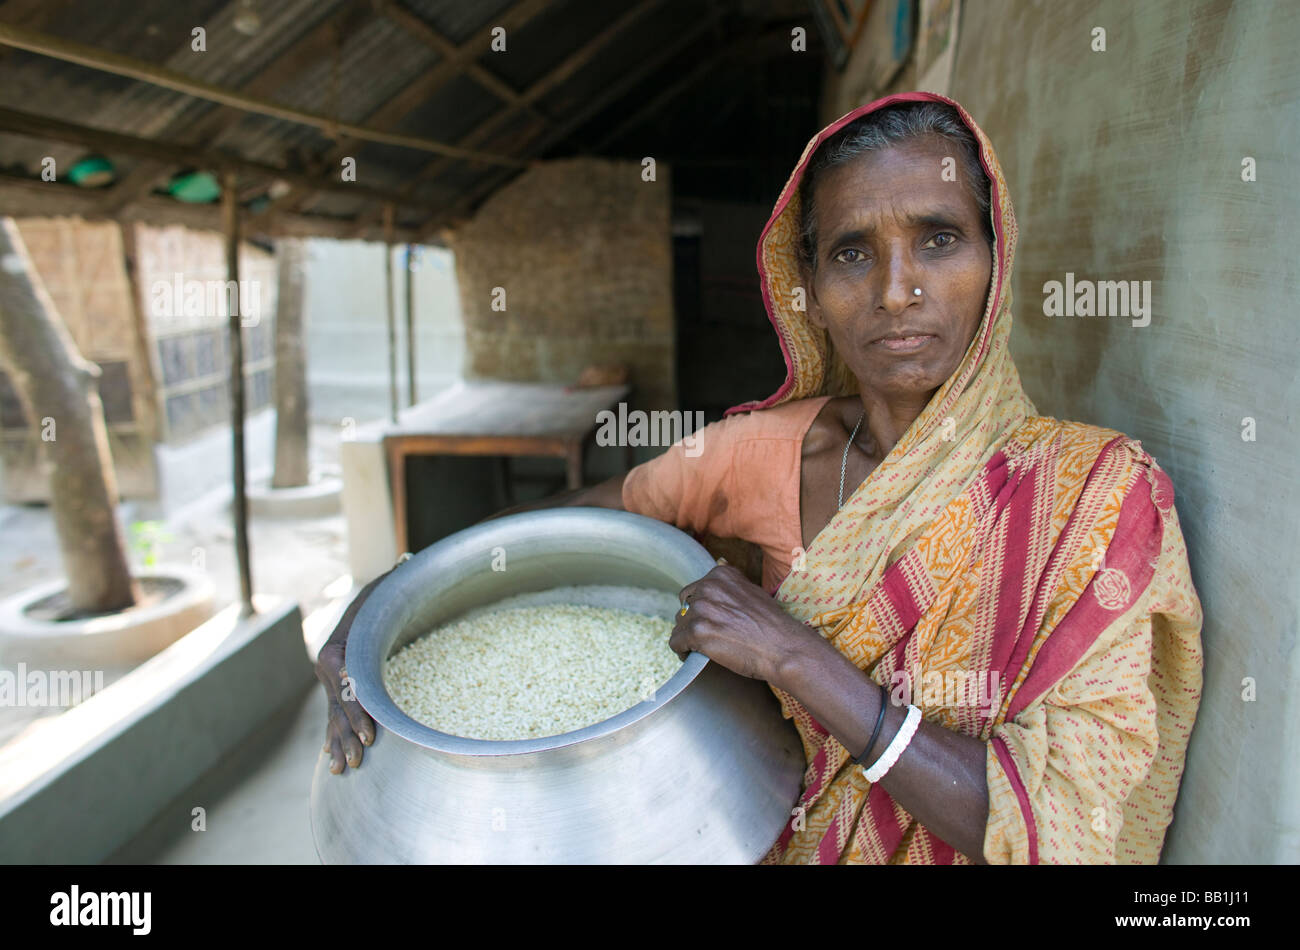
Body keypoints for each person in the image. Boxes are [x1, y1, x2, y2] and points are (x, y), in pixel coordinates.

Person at [316, 91, 1204, 865]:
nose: (898, 289)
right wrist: (384, 602)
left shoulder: (1095, 499)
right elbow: (574, 530)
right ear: (807, 288)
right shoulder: (757, 452)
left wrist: (793, 656)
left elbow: (1070, 827)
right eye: (853, 253)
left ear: (994, 259)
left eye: (939, 238)